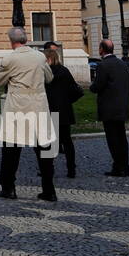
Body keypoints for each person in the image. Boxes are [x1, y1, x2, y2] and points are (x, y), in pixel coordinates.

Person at [0, 28, 57, 201]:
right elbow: (49, 78)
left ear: (11, 41)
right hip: (39, 107)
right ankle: (49, 190)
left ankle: (8, 187)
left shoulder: (9, 59)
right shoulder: (40, 57)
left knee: (11, 152)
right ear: (26, 39)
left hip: (18, 108)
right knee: (44, 150)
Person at [91, 39, 129, 176]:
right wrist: (124, 96)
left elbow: (98, 85)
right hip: (122, 107)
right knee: (122, 138)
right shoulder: (122, 63)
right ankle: (125, 166)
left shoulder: (103, 65)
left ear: (101, 50)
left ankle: (118, 167)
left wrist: (92, 88)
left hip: (109, 107)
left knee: (113, 139)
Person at [43, 44, 82, 177]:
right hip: (64, 110)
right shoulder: (64, 71)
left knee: (48, 142)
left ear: (48, 59)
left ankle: (47, 169)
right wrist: (67, 101)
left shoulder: (44, 73)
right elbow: (76, 91)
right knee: (67, 141)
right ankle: (71, 168)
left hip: (48, 110)